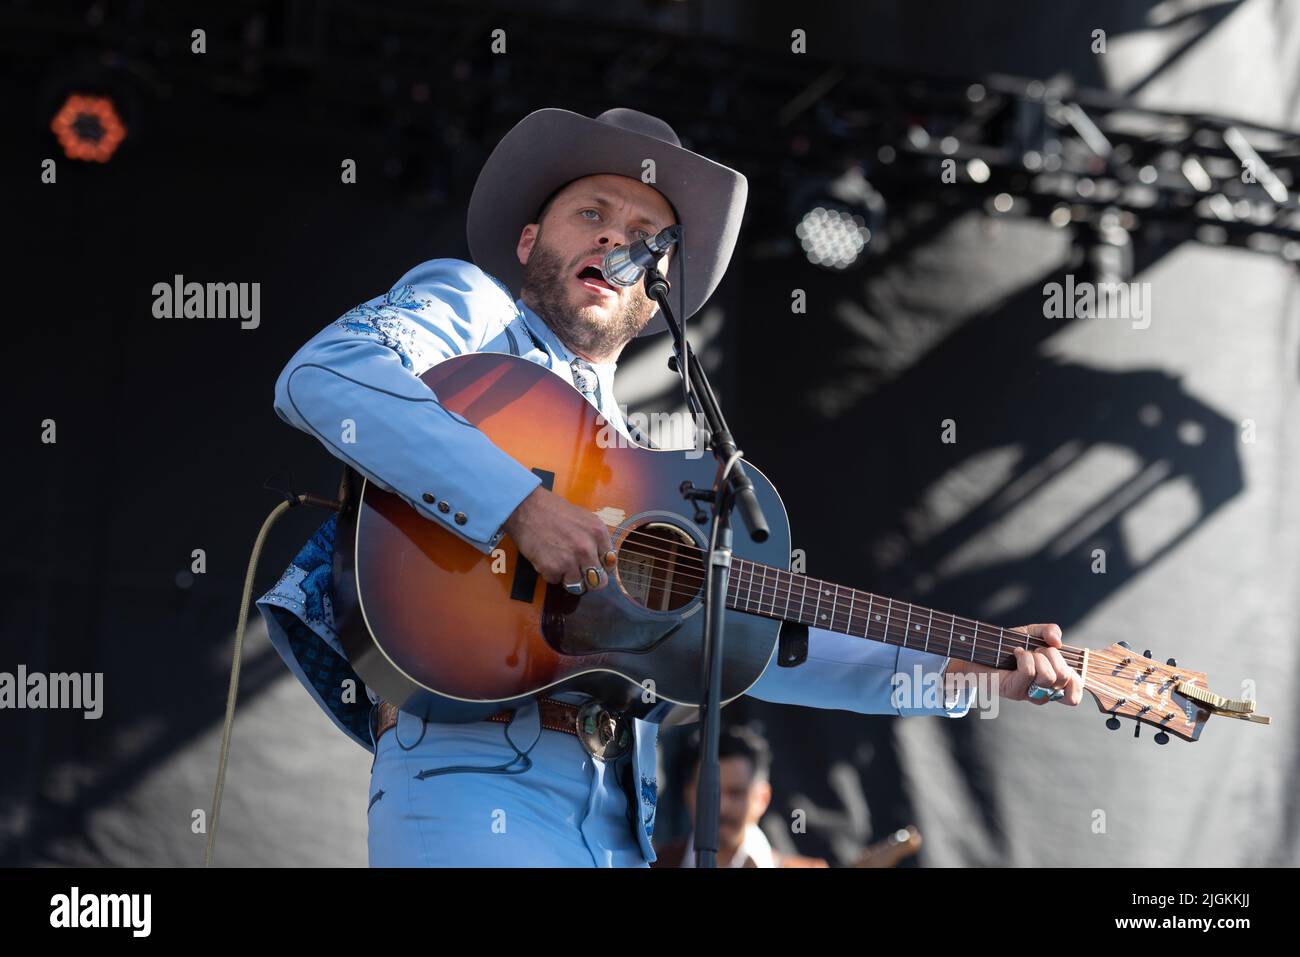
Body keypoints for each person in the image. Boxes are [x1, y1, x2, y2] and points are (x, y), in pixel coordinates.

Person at [255, 107, 1081, 867]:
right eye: (594, 214)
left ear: (657, 294)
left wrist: (970, 672)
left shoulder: (653, 468)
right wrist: (520, 505)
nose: (619, 239)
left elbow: (760, 644)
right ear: (529, 238)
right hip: (472, 780)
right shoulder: (471, 307)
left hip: (622, 819)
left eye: (647, 235)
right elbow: (327, 374)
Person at [653, 724, 922, 868]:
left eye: (737, 793)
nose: (721, 806)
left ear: (763, 797)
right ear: (688, 793)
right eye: (710, 792)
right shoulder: (644, 865)